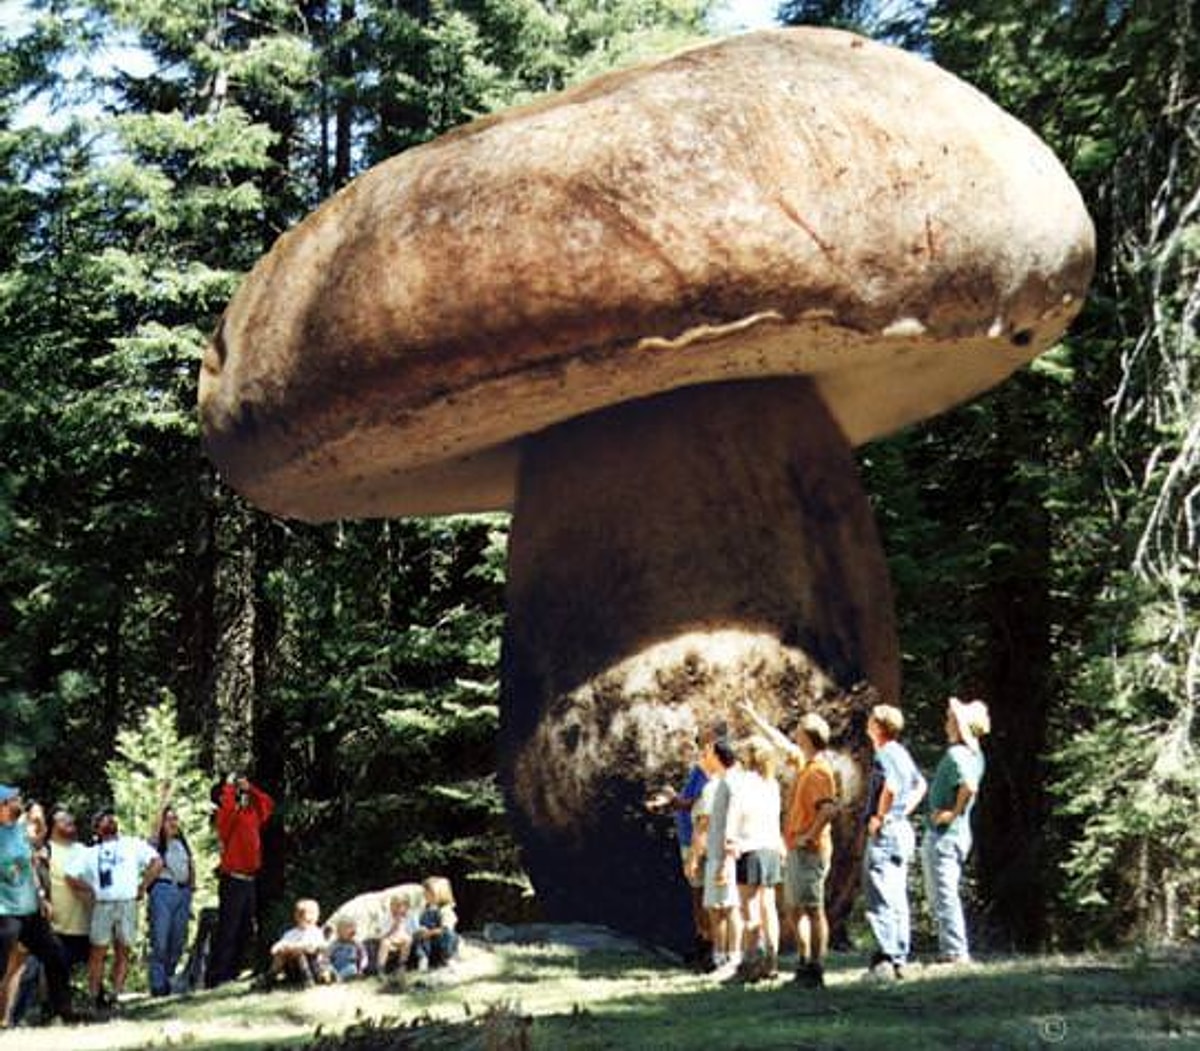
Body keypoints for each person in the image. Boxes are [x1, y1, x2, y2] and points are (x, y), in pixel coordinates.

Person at [741, 703, 838, 988]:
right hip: (797, 847)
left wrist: (810, 834)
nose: (793, 735)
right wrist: (756, 717)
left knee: (812, 908)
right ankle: (804, 962)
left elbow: (829, 809)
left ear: (807, 736)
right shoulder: (805, 764)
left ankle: (816, 966)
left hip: (810, 849)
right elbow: (781, 744)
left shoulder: (819, 771)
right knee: (795, 908)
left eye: (798, 731)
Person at [645, 720, 728, 965]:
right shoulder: (701, 768)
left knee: (705, 894)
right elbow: (689, 800)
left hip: (699, 839)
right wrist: (670, 802)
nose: (698, 742)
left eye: (703, 739)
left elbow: (697, 803)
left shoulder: (711, 771)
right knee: (697, 894)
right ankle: (703, 941)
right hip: (689, 836)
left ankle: (712, 947)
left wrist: (672, 800)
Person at [66, 806, 163, 1009]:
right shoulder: (90, 853)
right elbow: (70, 876)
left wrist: (143, 886)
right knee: (97, 953)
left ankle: (116, 995)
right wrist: (91, 890)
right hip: (103, 905)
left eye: (110, 817)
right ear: (97, 830)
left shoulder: (132, 844)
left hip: (127, 903)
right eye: (103, 819)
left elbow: (156, 862)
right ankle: (93, 997)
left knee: (123, 950)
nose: (109, 820)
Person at [921, 697, 990, 965]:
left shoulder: (957, 755)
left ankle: (955, 952)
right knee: (943, 893)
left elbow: (969, 786)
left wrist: (952, 812)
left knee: (943, 894)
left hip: (945, 836)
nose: (946, 723)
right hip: (958, 835)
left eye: (951, 720)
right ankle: (951, 949)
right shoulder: (976, 755)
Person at [861, 704, 927, 981]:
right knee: (896, 893)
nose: (868, 724)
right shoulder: (901, 752)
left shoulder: (885, 754)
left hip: (887, 832)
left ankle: (886, 960)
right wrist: (902, 812)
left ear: (878, 727)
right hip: (901, 829)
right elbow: (920, 785)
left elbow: (892, 786)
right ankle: (899, 957)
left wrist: (880, 815)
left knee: (879, 893)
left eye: (871, 720)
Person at [0, 786, 73, 1026]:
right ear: (3, 805)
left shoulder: (19, 832)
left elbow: (31, 866)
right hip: (5, 914)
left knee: (57, 956)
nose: (19, 801)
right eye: (15, 799)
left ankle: (63, 1012)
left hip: (30, 912)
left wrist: (41, 896)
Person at [724, 735, 784, 982]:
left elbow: (736, 813)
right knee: (768, 906)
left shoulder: (743, 782)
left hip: (749, 847)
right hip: (770, 847)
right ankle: (771, 959)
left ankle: (749, 962)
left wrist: (730, 840)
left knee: (748, 909)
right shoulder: (772, 784)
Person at [207, 774, 274, 988]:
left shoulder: (250, 814)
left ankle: (233, 972)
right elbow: (225, 806)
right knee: (228, 929)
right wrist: (229, 786)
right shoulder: (226, 818)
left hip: (249, 881)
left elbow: (267, 805)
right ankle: (218, 976)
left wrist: (250, 788)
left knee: (245, 929)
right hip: (233, 880)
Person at [701, 738, 743, 980]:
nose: (705, 758)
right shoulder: (722, 783)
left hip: (723, 854)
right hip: (717, 853)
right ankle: (721, 956)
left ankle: (730, 957)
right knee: (717, 908)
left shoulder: (729, 783)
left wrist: (727, 857)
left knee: (726, 908)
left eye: (708, 754)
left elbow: (732, 820)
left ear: (718, 757)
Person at [147, 805, 195, 996]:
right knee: (160, 939)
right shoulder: (156, 843)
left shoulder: (181, 843)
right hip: (162, 890)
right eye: (169, 819)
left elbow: (191, 864)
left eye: (175, 818)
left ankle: (168, 978)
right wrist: (163, 799)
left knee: (178, 940)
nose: (173, 822)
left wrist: (191, 889)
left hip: (183, 893)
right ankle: (158, 986)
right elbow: (155, 825)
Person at [47, 808, 93, 976]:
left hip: (85, 925)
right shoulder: (46, 850)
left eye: (70, 818)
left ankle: (100, 999)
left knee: (94, 970)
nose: (69, 821)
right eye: (63, 819)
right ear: (52, 826)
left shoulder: (83, 850)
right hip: (57, 928)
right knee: (56, 975)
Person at [265, 899, 331, 987]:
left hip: (312, 965)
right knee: (282, 954)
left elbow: (319, 947)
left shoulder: (316, 932)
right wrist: (278, 948)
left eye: (312, 915)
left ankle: (308, 979)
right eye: (302, 916)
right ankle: (270, 976)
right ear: (296, 917)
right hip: (293, 967)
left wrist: (298, 947)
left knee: (300, 951)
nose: (308, 919)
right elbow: (281, 944)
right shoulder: (290, 933)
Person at [412, 876, 458, 970]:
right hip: (428, 942)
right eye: (425, 893)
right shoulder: (425, 908)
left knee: (449, 935)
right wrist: (420, 929)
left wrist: (429, 933)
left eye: (428, 893)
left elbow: (446, 928)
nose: (425, 895)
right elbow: (417, 922)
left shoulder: (445, 910)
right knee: (420, 938)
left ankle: (448, 958)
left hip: (439, 941)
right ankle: (423, 958)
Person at [375, 892, 417, 976]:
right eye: (393, 905)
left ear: (406, 907)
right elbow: (382, 935)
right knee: (385, 943)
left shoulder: (409, 916)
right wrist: (393, 927)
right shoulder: (386, 917)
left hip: (402, 939)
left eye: (399, 906)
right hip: (389, 938)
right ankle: (380, 968)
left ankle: (401, 964)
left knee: (408, 940)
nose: (395, 909)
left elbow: (413, 931)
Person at [328, 917, 367, 981]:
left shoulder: (356, 944)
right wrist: (329, 966)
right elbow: (327, 956)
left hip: (349, 967)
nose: (352, 931)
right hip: (335, 967)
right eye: (347, 928)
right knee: (328, 969)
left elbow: (364, 956)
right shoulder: (334, 944)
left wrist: (361, 967)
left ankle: (341, 977)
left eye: (353, 928)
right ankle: (336, 976)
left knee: (352, 968)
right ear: (338, 932)